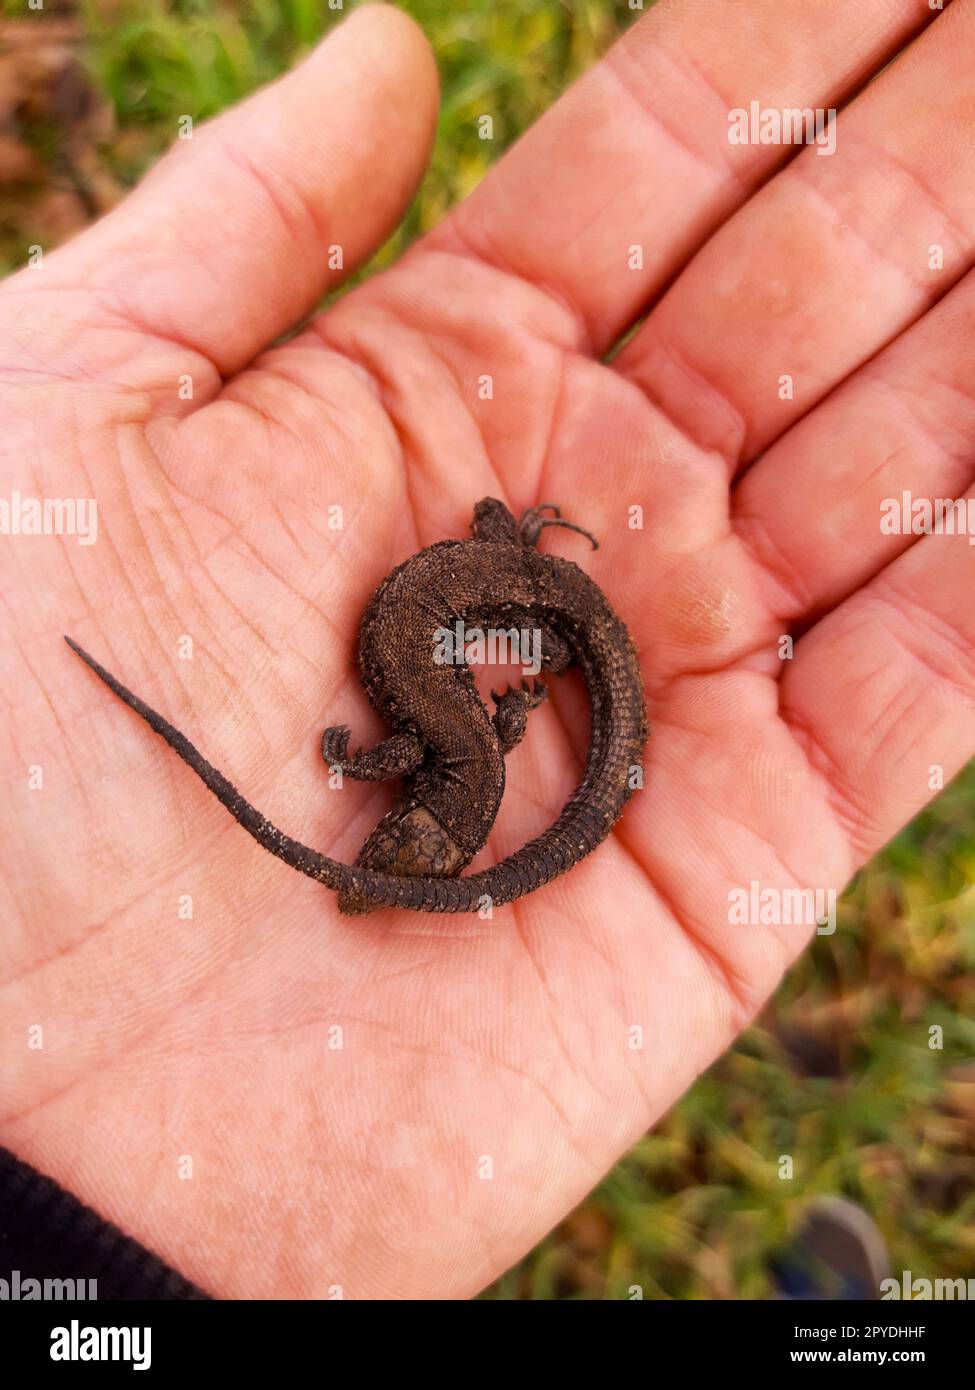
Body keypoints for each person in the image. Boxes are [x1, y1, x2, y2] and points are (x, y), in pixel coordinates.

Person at [1, 1, 971, 1299]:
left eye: (386, 852)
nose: (378, 856)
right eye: (410, 857)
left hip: (513, 606)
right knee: (526, 609)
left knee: (536, 628)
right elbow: (449, 729)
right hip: (504, 597)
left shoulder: (466, 748)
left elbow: (481, 727)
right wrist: (374, 738)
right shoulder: (439, 750)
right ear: (439, 823)